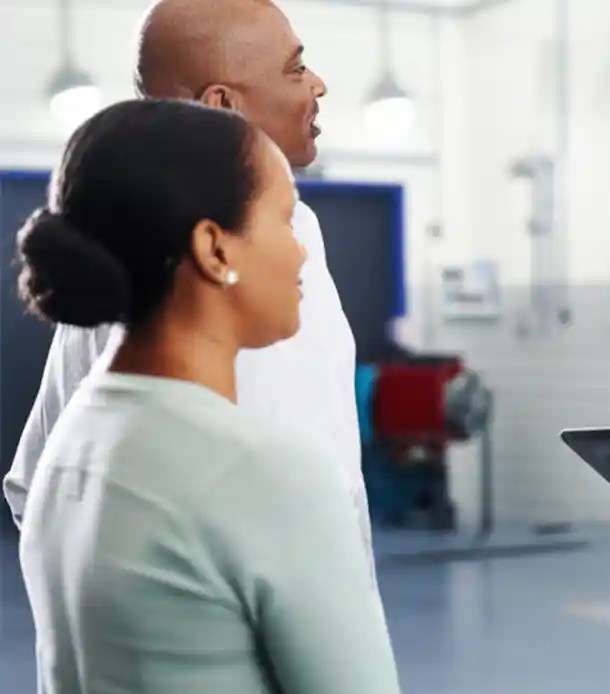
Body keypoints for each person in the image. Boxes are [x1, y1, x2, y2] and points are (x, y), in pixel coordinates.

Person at [16, 99, 408, 694]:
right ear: (214, 249)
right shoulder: (268, 474)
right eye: (284, 220)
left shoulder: (68, 449)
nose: (301, 253)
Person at [2, 0, 369, 561]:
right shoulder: (137, 256)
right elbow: (39, 487)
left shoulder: (302, 230)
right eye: (295, 69)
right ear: (222, 106)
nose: (317, 85)